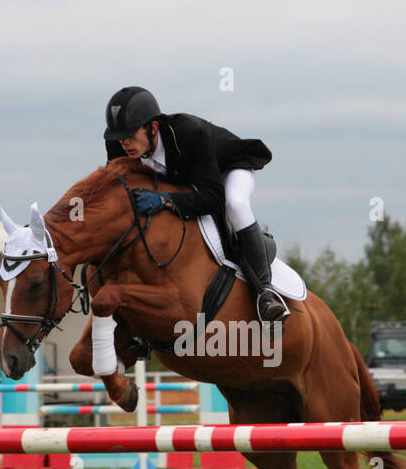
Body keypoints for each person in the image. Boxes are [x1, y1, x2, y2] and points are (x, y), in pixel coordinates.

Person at [102, 86, 289, 325]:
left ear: (153, 128)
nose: (124, 142)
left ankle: (265, 292)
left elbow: (213, 198)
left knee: (235, 204)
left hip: (226, 168)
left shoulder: (190, 133)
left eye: (130, 134)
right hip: (187, 178)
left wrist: (166, 200)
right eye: (119, 136)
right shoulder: (119, 146)